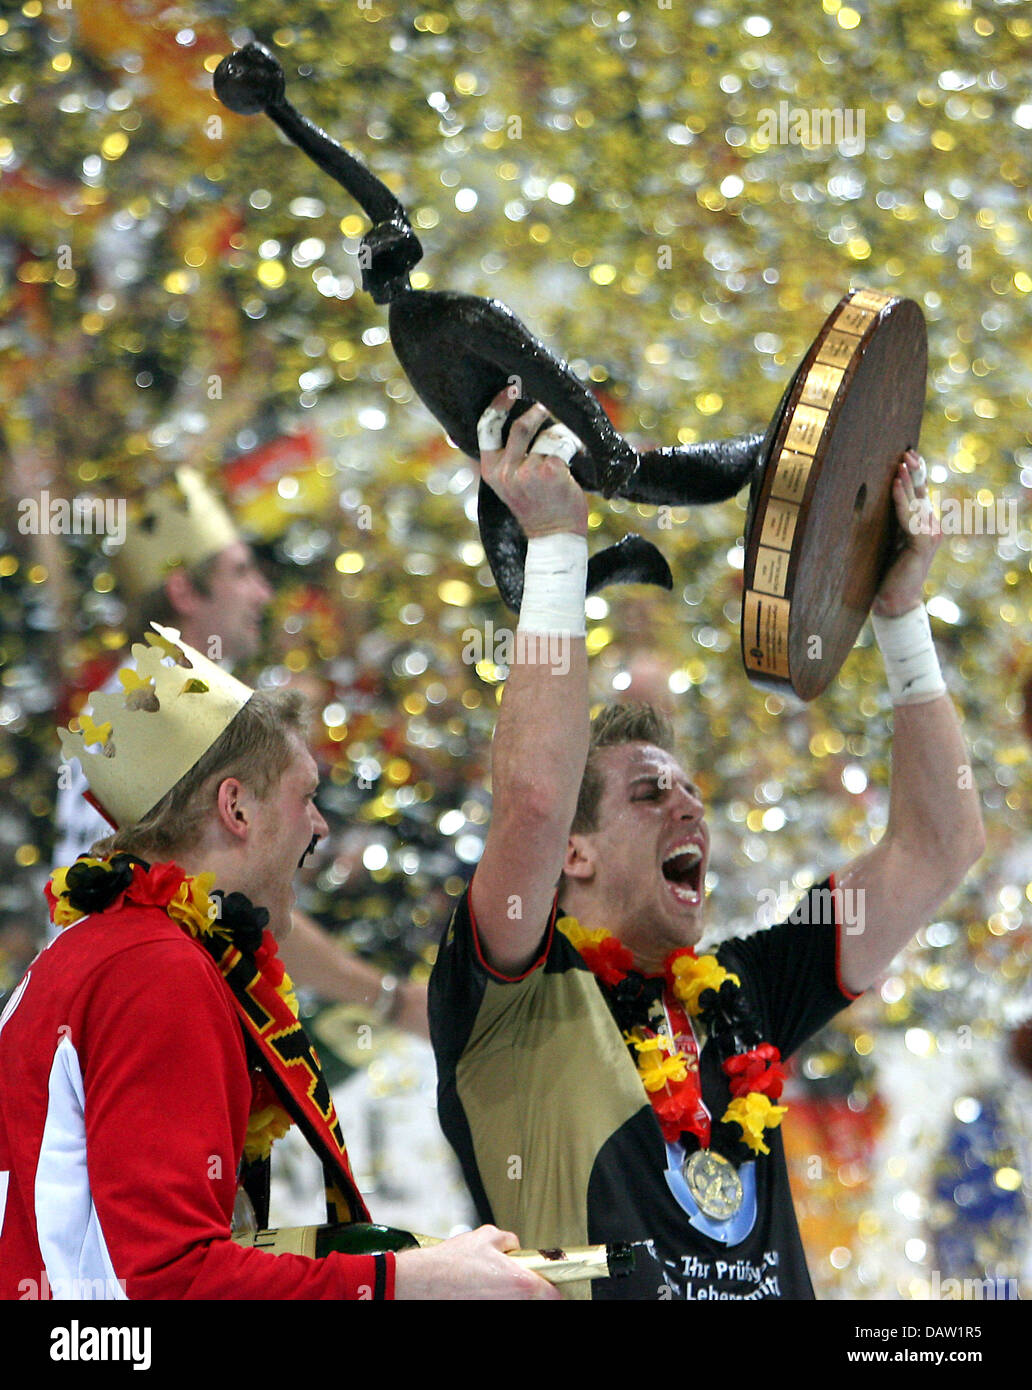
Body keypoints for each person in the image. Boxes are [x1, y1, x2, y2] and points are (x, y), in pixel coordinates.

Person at [428, 386, 986, 1299]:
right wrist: (560, 547)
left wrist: (899, 612)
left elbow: (940, 844)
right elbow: (532, 801)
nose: (690, 812)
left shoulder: (746, 992)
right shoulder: (512, 999)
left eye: (692, 793)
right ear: (577, 854)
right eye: (650, 796)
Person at [0, 624, 555, 1299]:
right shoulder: (156, 968)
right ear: (235, 807)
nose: (320, 826)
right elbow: (172, 1284)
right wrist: (410, 1281)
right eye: (305, 795)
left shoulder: (104, 947)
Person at [52, 466, 427, 1037]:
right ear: (184, 590)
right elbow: (240, 900)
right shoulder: (168, 710)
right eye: (241, 572)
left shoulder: (142, 696)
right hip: (139, 1021)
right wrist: (394, 1004)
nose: (262, 592)